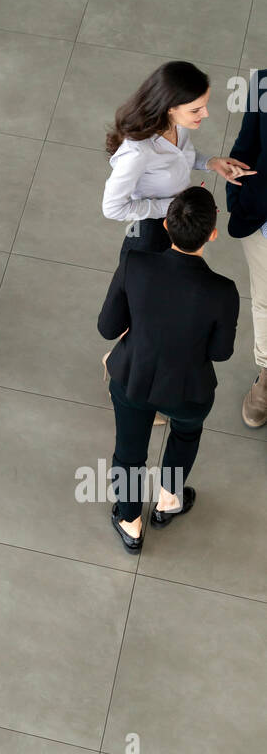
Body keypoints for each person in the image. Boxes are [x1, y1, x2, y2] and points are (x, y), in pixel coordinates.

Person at [97, 187, 239, 553]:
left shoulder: (136, 265)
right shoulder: (224, 291)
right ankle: (168, 501)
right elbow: (220, 353)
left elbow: (107, 327)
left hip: (133, 378)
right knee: (185, 436)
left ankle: (130, 522)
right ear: (212, 233)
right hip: (189, 390)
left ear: (165, 224)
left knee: (129, 453)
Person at [103, 60, 253, 257]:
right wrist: (175, 207)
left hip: (177, 222)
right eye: (195, 110)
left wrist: (211, 163)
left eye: (204, 106)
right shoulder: (136, 153)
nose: (205, 114)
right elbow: (112, 208)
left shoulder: (177, 124)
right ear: (170, 107)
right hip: (151, 236)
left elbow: (181, 155)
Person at [225, 66, 267, 427]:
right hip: (263, 225)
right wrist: (237, 198)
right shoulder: (264, 82)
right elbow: (246, 145)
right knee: (265, 302)